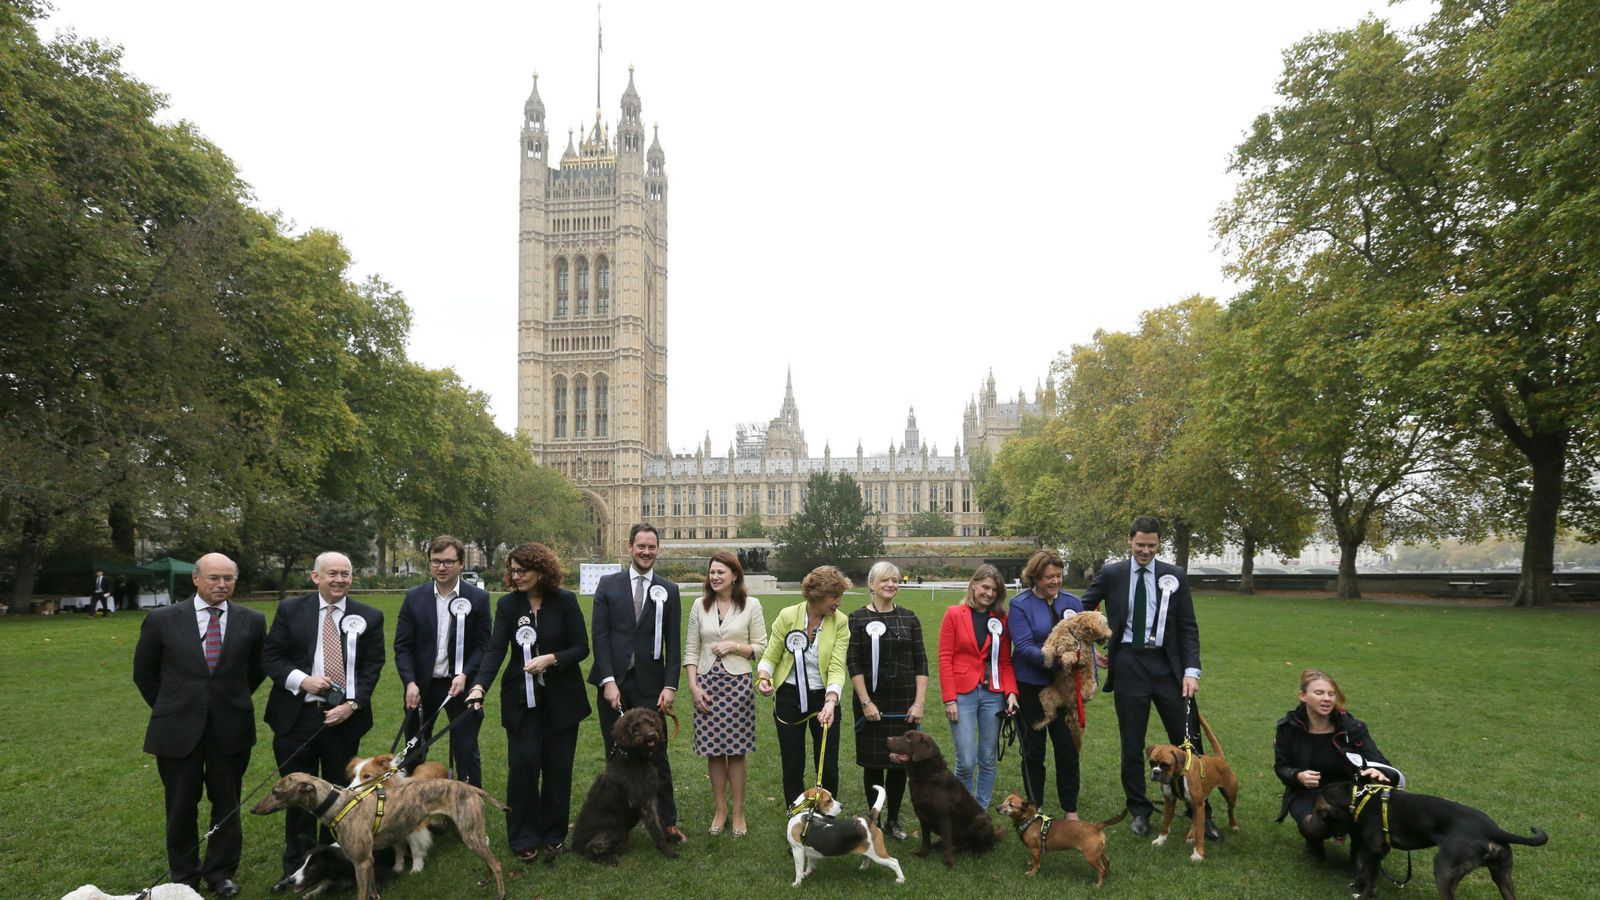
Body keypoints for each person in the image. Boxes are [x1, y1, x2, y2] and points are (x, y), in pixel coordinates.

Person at [132, 553, 265, 898]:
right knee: (180, 806)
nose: (222, 585)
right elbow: (144, 674)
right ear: (195, 579)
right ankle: (184, 876)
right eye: (214, 578)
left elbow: (256, 671)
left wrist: (226, 701)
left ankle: (221, 873)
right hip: (176, 730)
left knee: (227, 804)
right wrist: (173, 706)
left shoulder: (252, 620)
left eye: (228, 579)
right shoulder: (161, 619)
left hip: (230, 728)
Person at [1081, 515, 1215, 840]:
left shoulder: (1174, 575)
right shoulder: (1112, 573)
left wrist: (1191, 671)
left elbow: (1188, 627)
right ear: (1129, 540)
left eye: (1151, 546)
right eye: (1140, 544)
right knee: (1131, 743)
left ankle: (1200, 812)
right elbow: (1083, 611)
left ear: (1159, 544)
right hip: (1128, 665)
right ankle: (1139, 810)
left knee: (1189, 742)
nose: (1145, 551)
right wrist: (1097, 643)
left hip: (1169, 669)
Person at [263, 551, 385, 890]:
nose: (340, 580)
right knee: (298, 797)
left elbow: (372, 666)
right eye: (332, 573)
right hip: (296, 718)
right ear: (315, 577)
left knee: (338, 800)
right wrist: (303, 680)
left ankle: (334, 866)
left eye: (345, 573)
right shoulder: (291, 610)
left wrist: (354, 704)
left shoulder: (369, 617)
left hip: (343, 720)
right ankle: (295, 870)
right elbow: (271, 658)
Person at [467, 543, 591, 861]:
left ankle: (553, 833)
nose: (516, 576)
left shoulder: (565, 601)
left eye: (523, 571)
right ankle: (522, 835)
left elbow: (581, 647)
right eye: (513, 571)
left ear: (541, 571)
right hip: (520, 700)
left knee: (557, 768)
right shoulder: (509, 606)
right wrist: (479, 686)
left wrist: (551, 658)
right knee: (522, 765)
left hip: (562, 700)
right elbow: (495, 649)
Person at [587, 524, 685, 843]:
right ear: (630, 547)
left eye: (651, 547)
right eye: (640, 546)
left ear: (658, 550)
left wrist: (670, 685)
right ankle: (615, 823)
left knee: (658, 756)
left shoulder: (668, 590)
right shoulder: (608, 585)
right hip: (613, 684)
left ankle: (667, 821)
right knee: (615, 757)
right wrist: (607, 680)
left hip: (650, 686)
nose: (646, 552)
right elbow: (599, 638)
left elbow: (673, 643)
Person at [393, 535, 492, 785]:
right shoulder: (414, 597)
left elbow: (483, 645)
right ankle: (411, 807)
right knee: (414, 749)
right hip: (422, 686)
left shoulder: (478, 599)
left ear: (460, 563)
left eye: (448, 562)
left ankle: (470, 806)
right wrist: (409, 682)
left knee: (466, 750)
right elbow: (402, 646)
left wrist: (466, 674)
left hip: (461, 684)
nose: (441, 567)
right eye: (436, 561)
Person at [1274, 669, 1403, 857]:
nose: (1326, 698)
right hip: (1307, 792)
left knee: (1367, 820)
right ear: (1303, 696)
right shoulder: (1288, 728)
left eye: (1331, 694)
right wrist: (1298, 775)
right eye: (1319, 693)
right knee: (1314, 827)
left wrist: (1380, 772)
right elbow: (1281, 767)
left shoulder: (1352, 727)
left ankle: (1359, 850)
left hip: (1348, 791)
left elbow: (1380, 761)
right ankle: (1315, 840)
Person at [683, 551, 767, 836]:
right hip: (706, 685)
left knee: (737, 752)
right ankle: (721, 810)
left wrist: (734, 646)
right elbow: (691, 650)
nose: (715, 577)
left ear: (734, 575)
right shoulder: (699, 605)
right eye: (712, 572)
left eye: (721, 572)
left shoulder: (751, 605)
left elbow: (761, 647)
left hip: (737, 686)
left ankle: (739, 812)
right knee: (713, 752)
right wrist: (693, 687)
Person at [758, 565, 851, 805]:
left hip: (824, 699)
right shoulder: (788, 616)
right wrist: (764, 677)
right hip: (789, 698)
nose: (839, 602)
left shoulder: (840, 622)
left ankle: (826, 823)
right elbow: (770, 655)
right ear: (817, 596)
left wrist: (831, 701)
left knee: (828, 766)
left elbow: (837, 666)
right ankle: (796, 820)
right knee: (792, 765)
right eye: (835, 596)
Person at [848, 560, 927, 839]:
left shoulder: (910, 618)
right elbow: (853, 663)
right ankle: (875, 820)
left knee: (898, 763)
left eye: (895, 580)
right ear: (872, 584)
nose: (891, 585)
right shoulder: (856, 618)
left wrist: (918, 703)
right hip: (870, 702)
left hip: (903, 701)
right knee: (873, 764)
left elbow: (921, 663)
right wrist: (866, 701)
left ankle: (893, 820)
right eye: (885, 580)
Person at [1008, 549, 1085, 819]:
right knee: (1034, 750)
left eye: (1058, 576)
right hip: (1032, 687)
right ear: (1035, 577)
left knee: (1067, 749)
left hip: (1066, 690)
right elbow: (1025, 646)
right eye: (1048, 577)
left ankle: (1070, 811)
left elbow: (1084, 642)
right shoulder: (1020, 604)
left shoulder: (1073, 602)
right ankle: (1035, 807)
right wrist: (1057, 661)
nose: (1054, 581)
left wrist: (1087, 679)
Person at [938, 564, 1019, 808]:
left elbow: (1004, 661)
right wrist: (949, 699)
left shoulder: (1001, 620)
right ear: (974, 585)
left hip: (993, 695)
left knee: (987, 758)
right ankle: (962, 809)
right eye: (985, 587)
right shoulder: (954, 613)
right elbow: (944, 657)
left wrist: (1011, 693)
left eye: (994, 590)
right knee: (966, 761)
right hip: (962, 695)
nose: (989, 593)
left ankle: (980, 809)